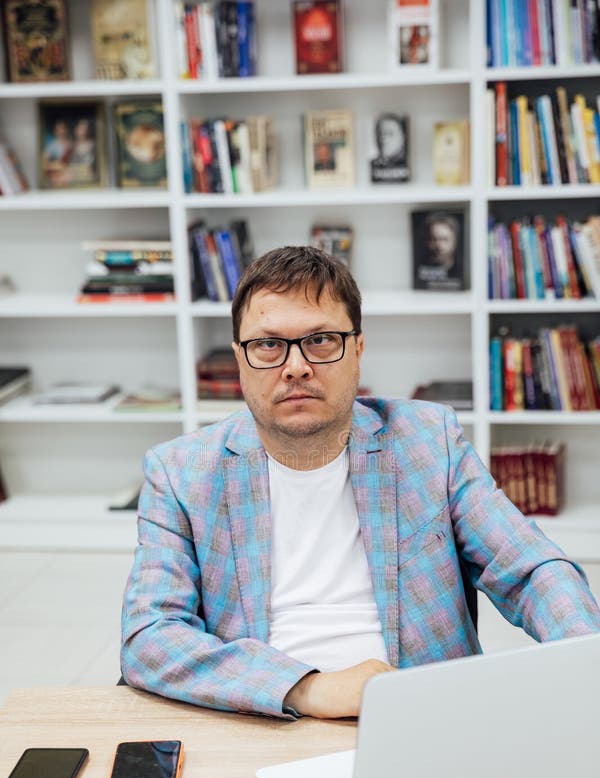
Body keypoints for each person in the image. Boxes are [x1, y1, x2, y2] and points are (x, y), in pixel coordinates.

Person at [121, 246, 600, 719]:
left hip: (420, 712)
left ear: (358, 350)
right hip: (264, 717)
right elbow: (150, 636)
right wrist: (308, 688)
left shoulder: (429, 440)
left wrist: (585, 659)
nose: (296, 366)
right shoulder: (180, 472)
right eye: (268, 345)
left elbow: (532, 570)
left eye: (321, 339)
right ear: (240, 359)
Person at [370, 114, 409, 183]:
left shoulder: (405, 163)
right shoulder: (373, 164)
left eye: (389, 134)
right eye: (380, 133)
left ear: (402, 137)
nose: (383, 139)